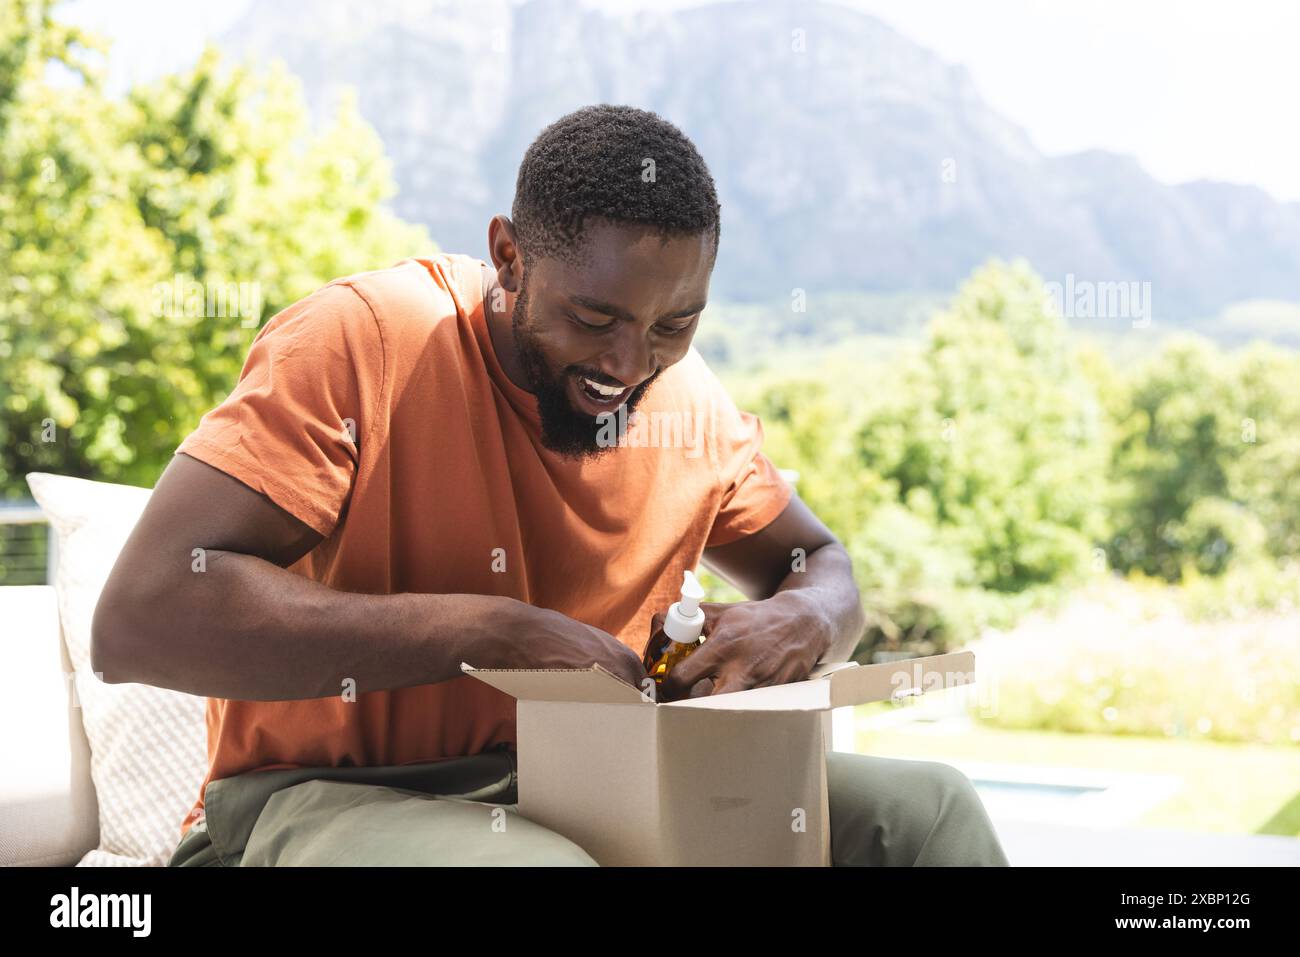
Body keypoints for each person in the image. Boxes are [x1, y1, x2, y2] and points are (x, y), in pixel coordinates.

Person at [91, 104, 1009, 867]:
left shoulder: (688, 403)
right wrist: (493, 632)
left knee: (929, 812)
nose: (628, 362)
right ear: (510, 255)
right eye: (593, 316)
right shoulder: (365, 340)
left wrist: (806, 617)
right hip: (313, 802)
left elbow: (818, 559)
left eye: (673, 323)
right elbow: (143, 617)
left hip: (593, 778)